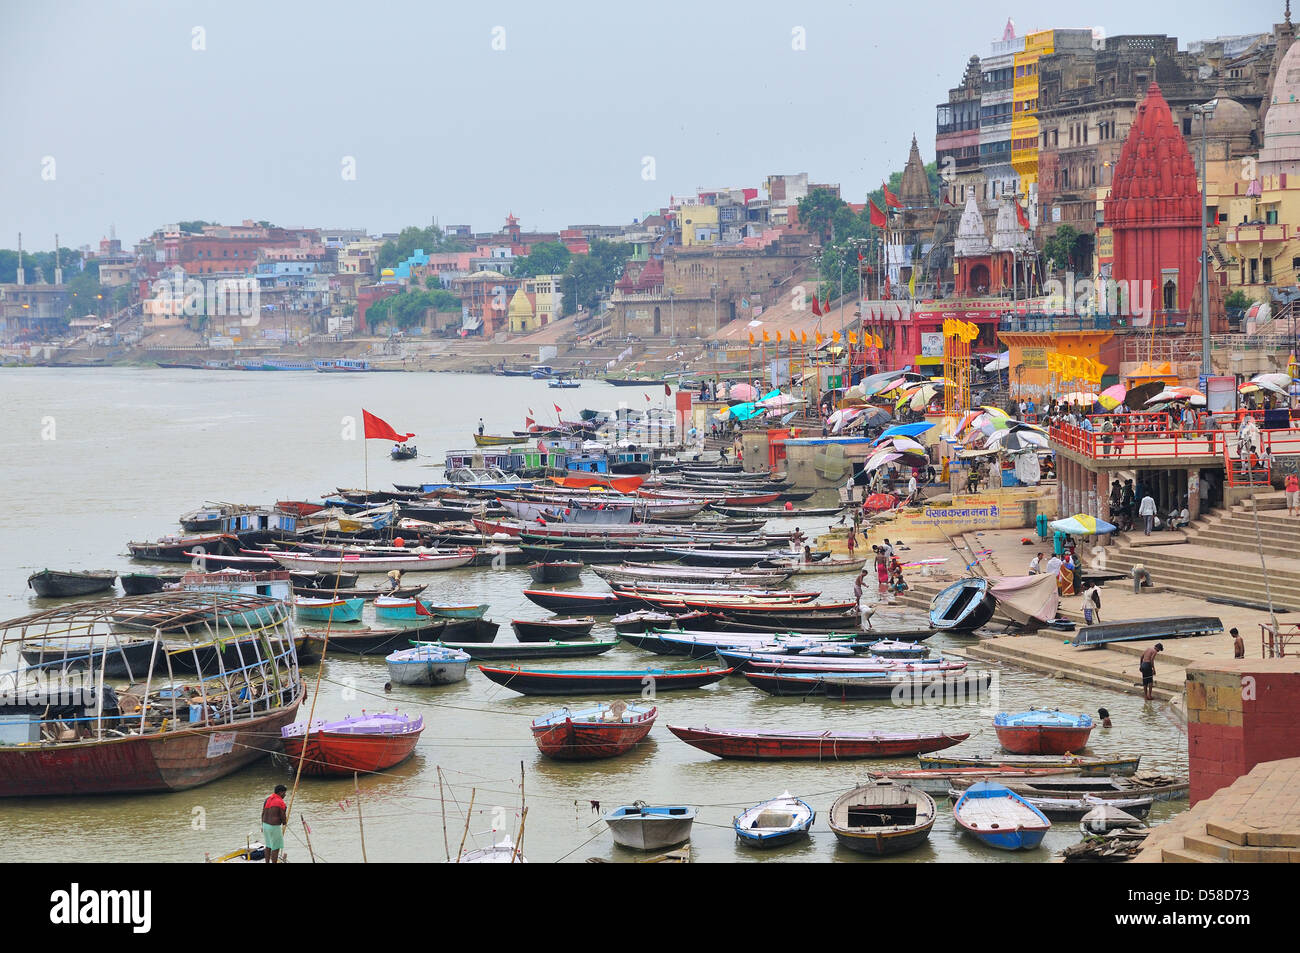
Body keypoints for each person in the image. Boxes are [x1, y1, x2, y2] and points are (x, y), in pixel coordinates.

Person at [262, 784, 289, 863]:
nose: (285, 795)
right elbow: (282, 816)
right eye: (284, 793)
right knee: (275, 848)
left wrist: (262, 825)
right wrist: (285, 822)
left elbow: (263, 813)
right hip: (274, 827)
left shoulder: (267, 799)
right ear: (280, 793)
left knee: (268, 845)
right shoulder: (280, 802)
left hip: (265, 825)